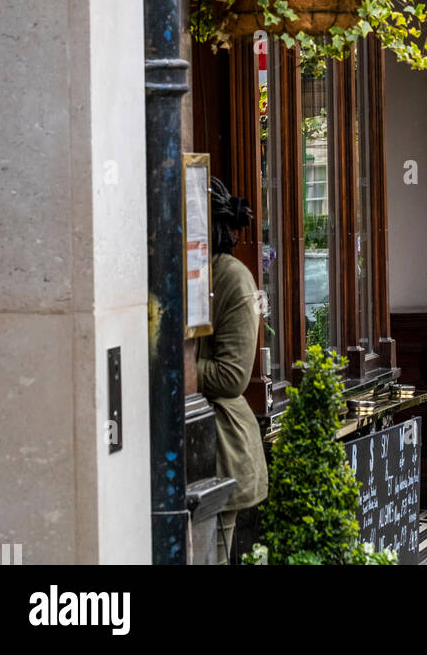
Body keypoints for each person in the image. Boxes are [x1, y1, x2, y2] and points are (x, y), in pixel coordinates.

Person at [197, 178, 269, 564]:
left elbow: (232, 376)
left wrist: (173, 370)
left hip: (219, 445)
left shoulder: (231, 278)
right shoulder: (192, 273)